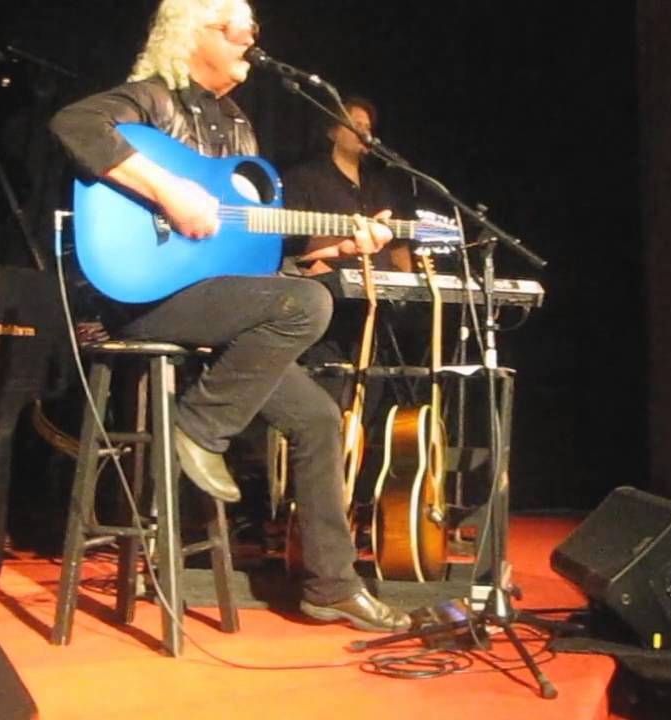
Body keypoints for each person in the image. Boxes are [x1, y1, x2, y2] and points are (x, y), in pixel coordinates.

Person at [49, 0, 410, 632]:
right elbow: (75, 123)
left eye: (252, 28)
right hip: (145, 299)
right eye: (236, 27)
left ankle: (331, 586)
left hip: (214, 301)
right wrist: (168, 190)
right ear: (193, 33)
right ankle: (198, 427)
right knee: (308, 305)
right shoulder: (152, 98)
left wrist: (338, 249)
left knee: (318, 417)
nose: (251, 38)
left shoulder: (238, 125)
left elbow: (245, 246)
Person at [282, 95, 416, 276]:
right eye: (356, 126)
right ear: (333, 132)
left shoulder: (379, 184)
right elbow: (292, 242)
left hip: (383, 287)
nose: (364, 133)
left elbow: (398, 246)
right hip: (327, 285)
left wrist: (404, 282)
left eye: (367, 128)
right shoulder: (303, 178)